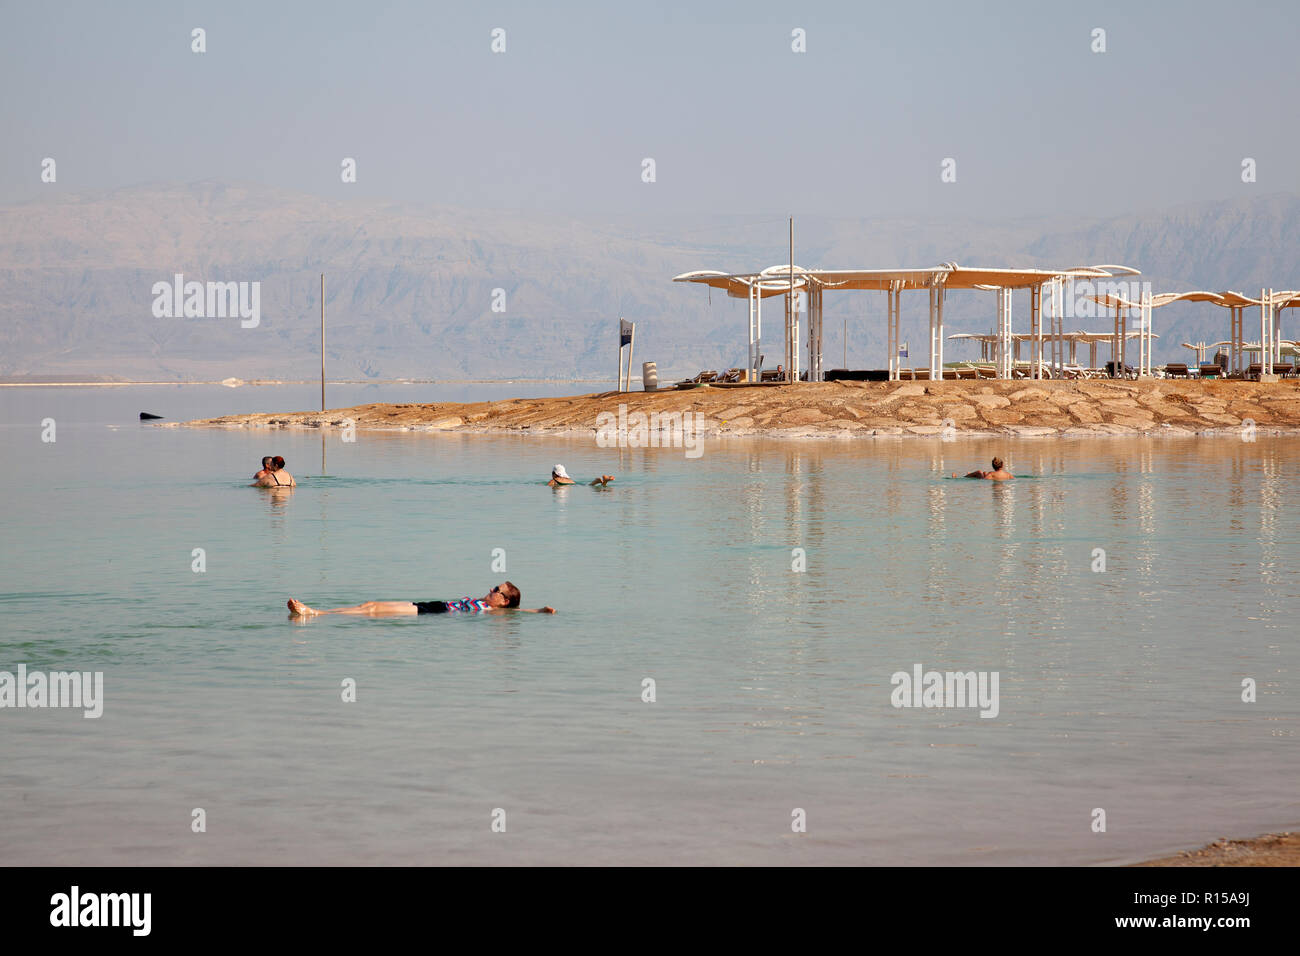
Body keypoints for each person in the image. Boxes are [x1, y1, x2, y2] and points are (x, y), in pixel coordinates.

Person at [287, 581, 555, 617]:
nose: (492, 588)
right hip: (435, 604)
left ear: (504, 601)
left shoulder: (498, 613)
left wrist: (541, 610)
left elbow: (520, 613)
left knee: (374, 611)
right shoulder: (487, 604)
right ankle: (318, 612)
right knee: (370, 604)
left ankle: (316, 613)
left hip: (434, 614)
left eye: (497, 589)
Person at [547, 464, 614, 487]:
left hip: (574, 486)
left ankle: (598, 481)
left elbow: (548, 485)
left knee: (589, 486)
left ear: (554, 473)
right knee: (589, 485)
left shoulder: (554, 480)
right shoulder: (568, 479)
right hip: (575, 484)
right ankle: (605, 481)